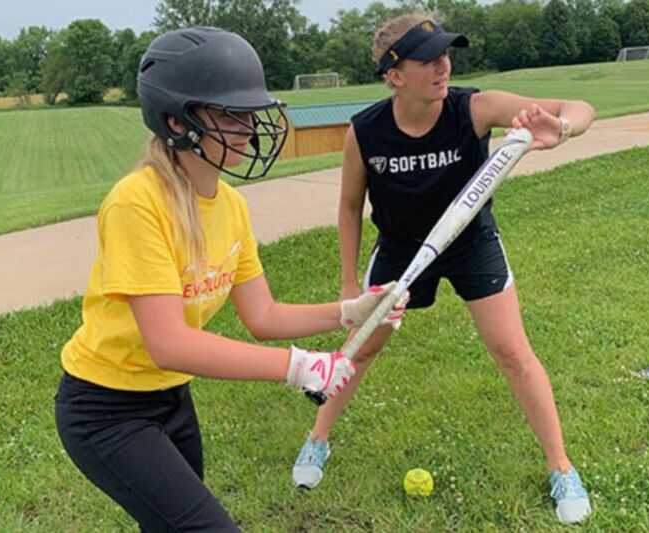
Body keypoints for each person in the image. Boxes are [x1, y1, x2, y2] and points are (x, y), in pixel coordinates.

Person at [54, 27, 407, 532]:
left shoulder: (232, 206)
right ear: (176, 121)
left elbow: (263, 316)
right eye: (228, 115)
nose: (247, 128)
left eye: (249, 113)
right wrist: (300, 367)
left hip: (170, 398)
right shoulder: (137, 203)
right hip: (105, 409)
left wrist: (350, 312)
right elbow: (169, 344)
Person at [291, 13, 596, 525]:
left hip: (470, 243)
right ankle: (317, 439)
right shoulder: (365, 131)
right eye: (427, 59)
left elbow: (579, 108)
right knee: (362, 347)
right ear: (395, 75)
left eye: (445, 55)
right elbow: (349, 206)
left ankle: (561, 467)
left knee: (512, 352)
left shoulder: (473, 109)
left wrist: (561, 127)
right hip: (401, 250)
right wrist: (347, 283)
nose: (443, 66)